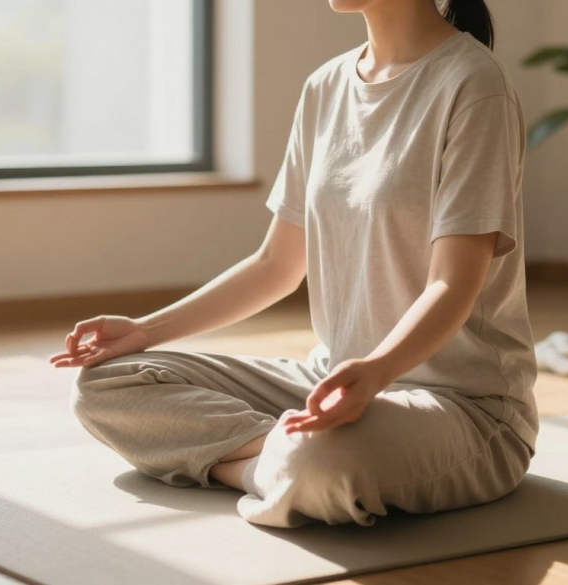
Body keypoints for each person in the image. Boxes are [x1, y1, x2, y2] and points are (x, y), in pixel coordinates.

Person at [50, 0, 538, 529]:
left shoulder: (473, 84)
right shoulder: (325, 87)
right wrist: (145, 330)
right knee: (107, 383)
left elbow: (452, 284)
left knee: (321, 456)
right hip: (330, 380)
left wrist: (376, 372)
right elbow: (276, 263)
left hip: (460, 407)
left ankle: (278, 462)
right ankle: (279, 464)